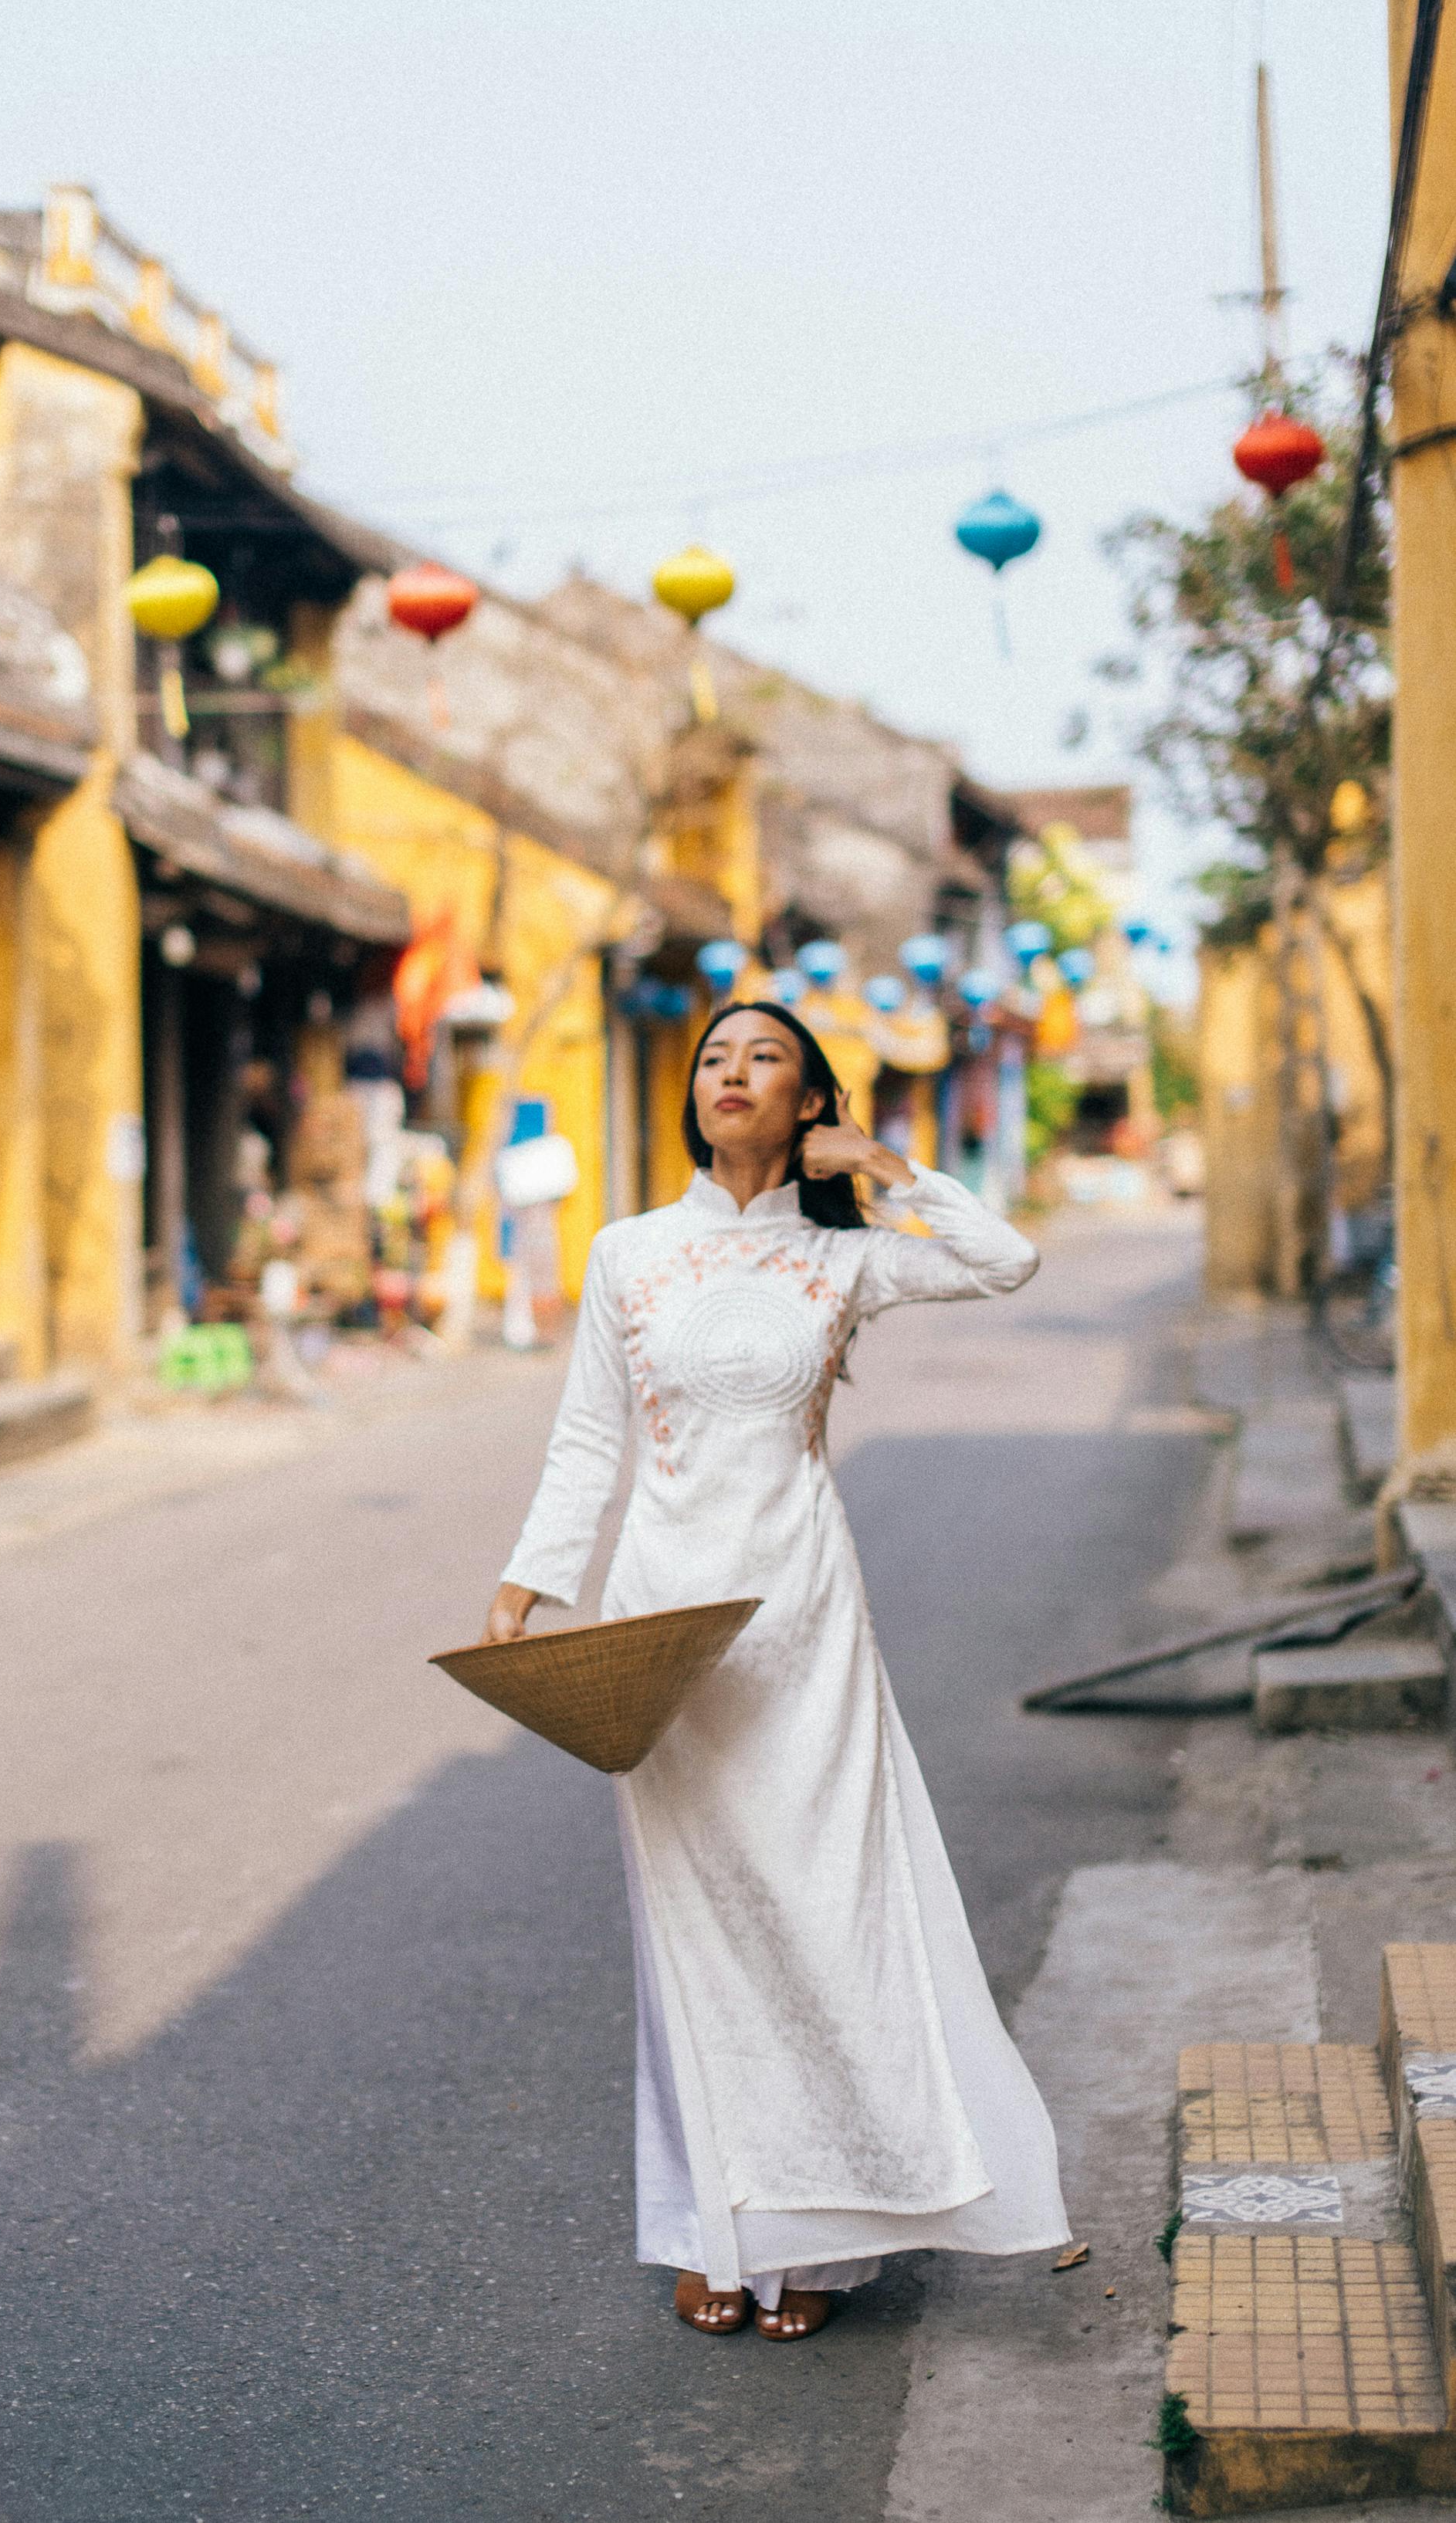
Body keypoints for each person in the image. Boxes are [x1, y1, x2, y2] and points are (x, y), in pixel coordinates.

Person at [484, 1000, 1069, 2341]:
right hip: (661, 1630)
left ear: (809, 1099)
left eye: (761, 1058)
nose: (727, 1074)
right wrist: (529, 1582)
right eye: (710, 1058)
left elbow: (1008, 1259)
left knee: (823, 1921)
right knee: (697, 1935)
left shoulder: (844, 1260)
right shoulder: (629, 1253)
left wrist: (876, 1169)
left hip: (802, 1621)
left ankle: (818, 2241)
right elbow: (588, 1440)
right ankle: (717, 2234)